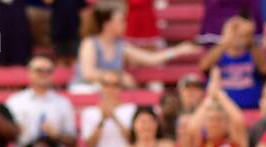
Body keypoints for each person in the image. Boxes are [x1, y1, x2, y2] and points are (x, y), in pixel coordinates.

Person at [73, 6, 201, 89]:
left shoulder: (120, 46)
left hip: (107, 93)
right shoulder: (90, 43)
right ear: (108, 25)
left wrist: (178, 50)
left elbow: (151, 59)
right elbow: (88, 73)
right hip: (86, 89)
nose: (125, 23)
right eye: (121, 20)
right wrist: (119, 76)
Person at [5, 56, 78, 147]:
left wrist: (57, 135)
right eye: (39, 70)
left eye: (48, 71)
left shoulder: (63, 103)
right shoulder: (14, 102)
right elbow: (4, 136)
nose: (44, 74)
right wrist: (15, 131)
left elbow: (73, 141)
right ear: (29, 72)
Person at [79, 70, 138, 147]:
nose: (110, 89)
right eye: (106, 84)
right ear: (100, 86)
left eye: (115, 84)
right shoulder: (89, 112)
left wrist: (115, 118)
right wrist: (102, 120)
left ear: (120, 87)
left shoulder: (131, 109)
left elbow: (135, 141)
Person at [200, 14, 266, 109]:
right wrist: (226, 41)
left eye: (241, 35)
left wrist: (249, 40)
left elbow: (264, 69)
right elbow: (204, 66)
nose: (238, 38)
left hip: (251, 106)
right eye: (235, 34)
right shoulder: (218, 55)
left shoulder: (253, 53)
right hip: (222, 109)